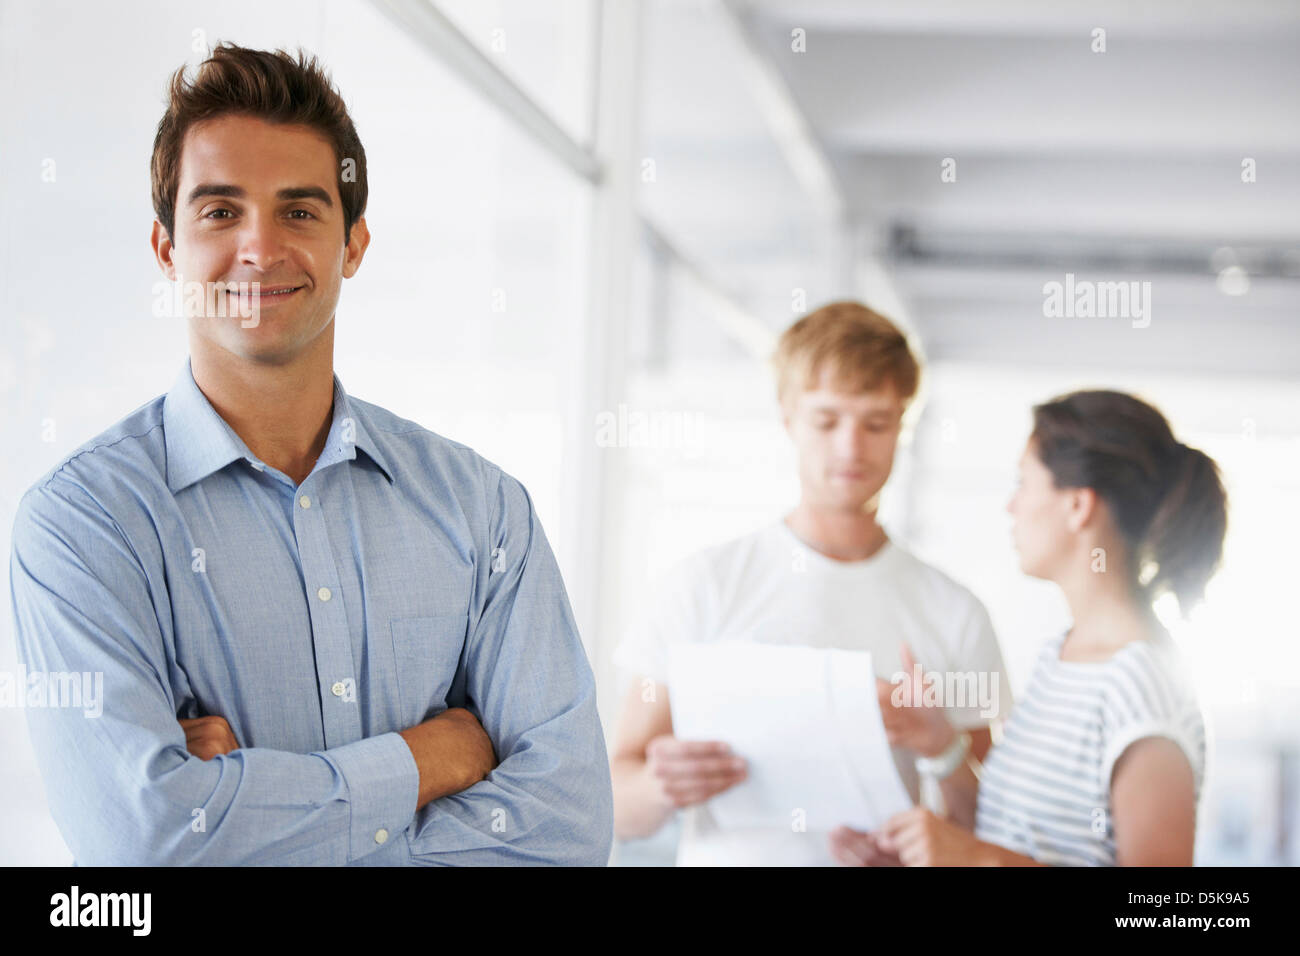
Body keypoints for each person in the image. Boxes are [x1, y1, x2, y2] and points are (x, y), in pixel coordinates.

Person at [9, 43, 612, 865]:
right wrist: (428, 759)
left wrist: (241, 809)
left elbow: (568, 831)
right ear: (166, 249)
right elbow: (143, 842)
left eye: (298, 211)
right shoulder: (82, 523)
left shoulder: (483, 510)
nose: (260, 248)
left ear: (352, 245)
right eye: (220, 212)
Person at [609, 301, 1012, 865]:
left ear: (905, 425)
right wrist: (661, 786)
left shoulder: (955, 611)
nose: (851, 447)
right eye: (826, 421)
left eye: (876, 423)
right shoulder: (704, 585)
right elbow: (617, 804)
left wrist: (941, 748)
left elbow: (991, 831)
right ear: (788, 418)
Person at [831, 389, 1225, 866]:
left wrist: (977, 860)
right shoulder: (1061, 656)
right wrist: (940, 749)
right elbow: (1014, 837)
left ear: (1078, 506)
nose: (1010, 506)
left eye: (1023, 482)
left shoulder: (1142, 684)